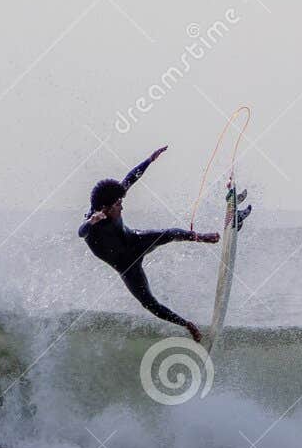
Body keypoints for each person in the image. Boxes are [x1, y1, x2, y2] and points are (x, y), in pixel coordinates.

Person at [79, 146, 218, 342]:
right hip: (126, 265)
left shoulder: (111, 199)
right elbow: (80, 232)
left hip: (134, 241)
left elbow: (129, 179)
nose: (122, 205)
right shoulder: (92, 224)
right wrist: (91, 222)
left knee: (168, 234)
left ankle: (202, 237)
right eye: (118, 205)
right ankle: (187, 325)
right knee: (149, 303)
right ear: (105, 208)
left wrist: (149, 160)